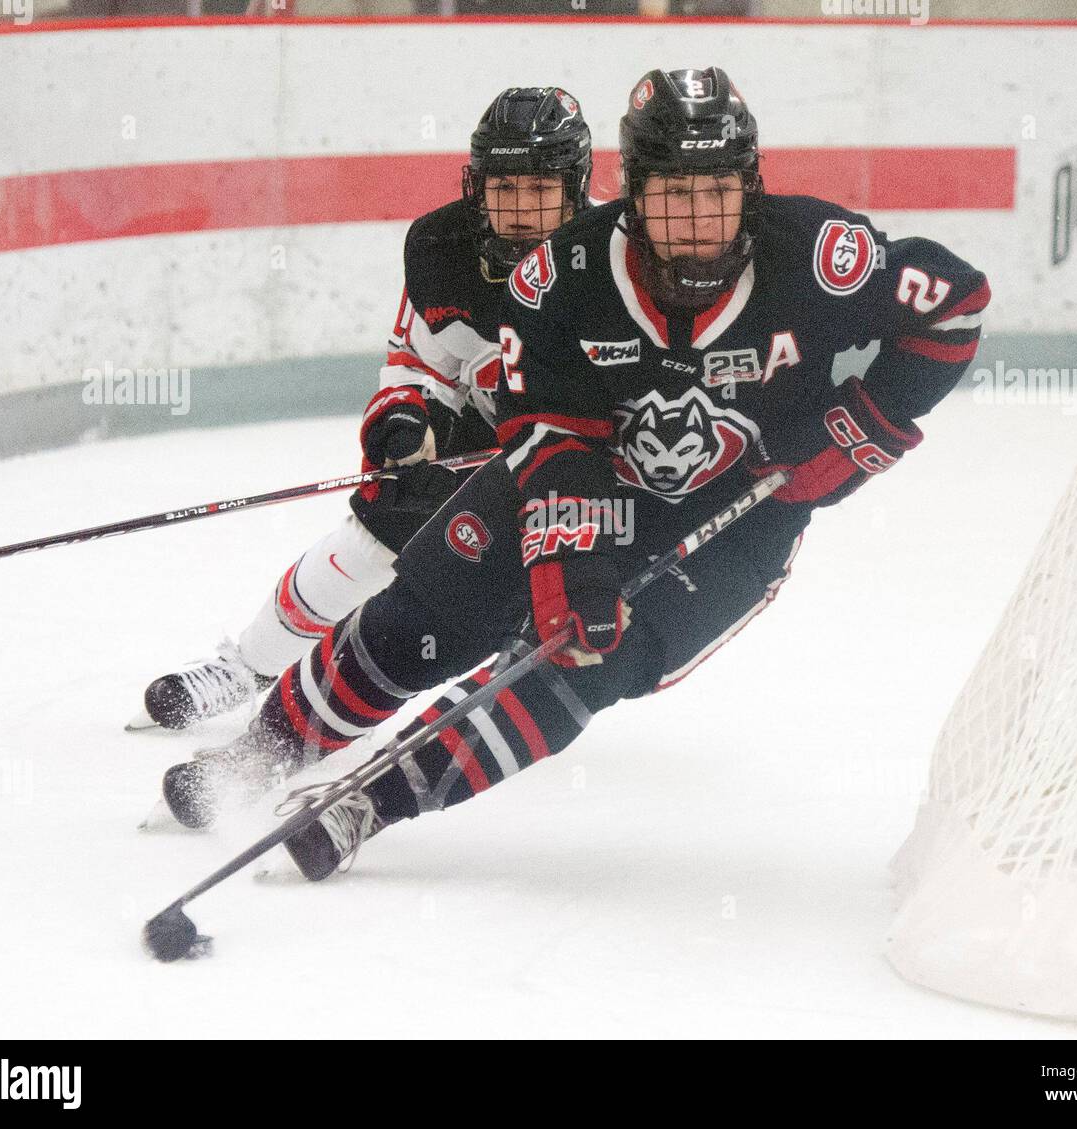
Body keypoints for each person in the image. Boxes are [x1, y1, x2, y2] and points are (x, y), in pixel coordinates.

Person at [160, 67, 989, 888]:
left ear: (752, 187)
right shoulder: (558, 280)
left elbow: (956, 304)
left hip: (739, 517)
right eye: (671, 195)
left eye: (717, 194)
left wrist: (857, 433)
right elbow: (552, 435)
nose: (696, 222)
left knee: (590, 663)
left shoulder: (820, 256)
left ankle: (370, 804)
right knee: (422, 615)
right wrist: (572, 566)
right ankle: (261, 752)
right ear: (631, 192)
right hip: (583, 477)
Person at [132, 87, 593, 730]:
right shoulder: (444, 251)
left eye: (539, 188)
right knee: (382, 527)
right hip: (486, 429)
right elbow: (418, 367)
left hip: (584, 454)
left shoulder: (609, 259)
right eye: (502, 186)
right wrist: (407, 419)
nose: (517, 208)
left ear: (576, 188)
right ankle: (247, 666)